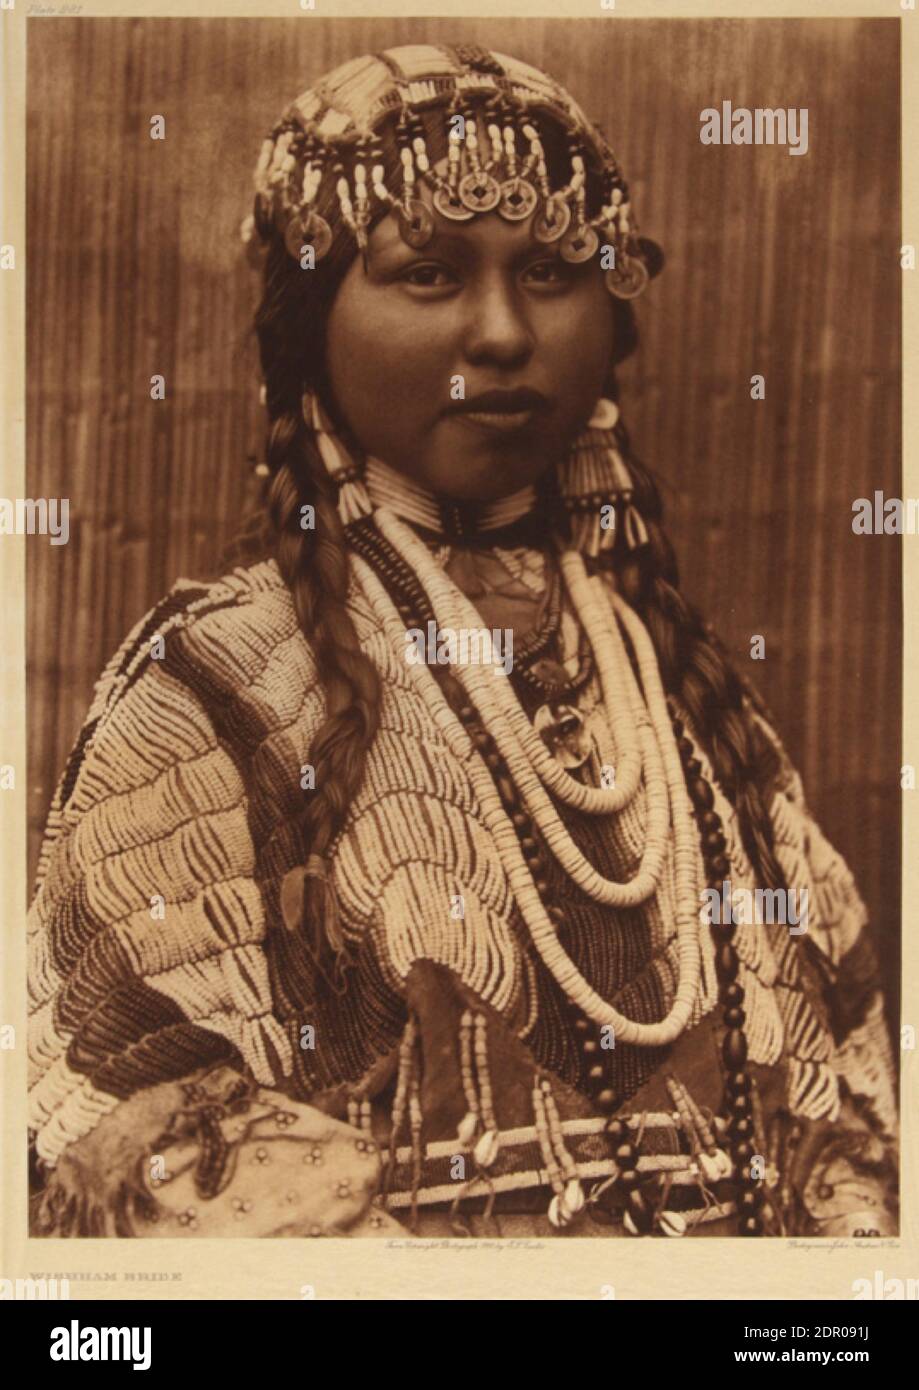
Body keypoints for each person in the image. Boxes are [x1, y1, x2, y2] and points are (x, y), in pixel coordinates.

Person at [27, 41, 897, 1239]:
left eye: (550, 270)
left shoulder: (694, 711)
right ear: (310, 328)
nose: (499, 331)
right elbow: (128, 1165)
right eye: (427, 272)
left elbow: (848, 1132)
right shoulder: (218, 690)